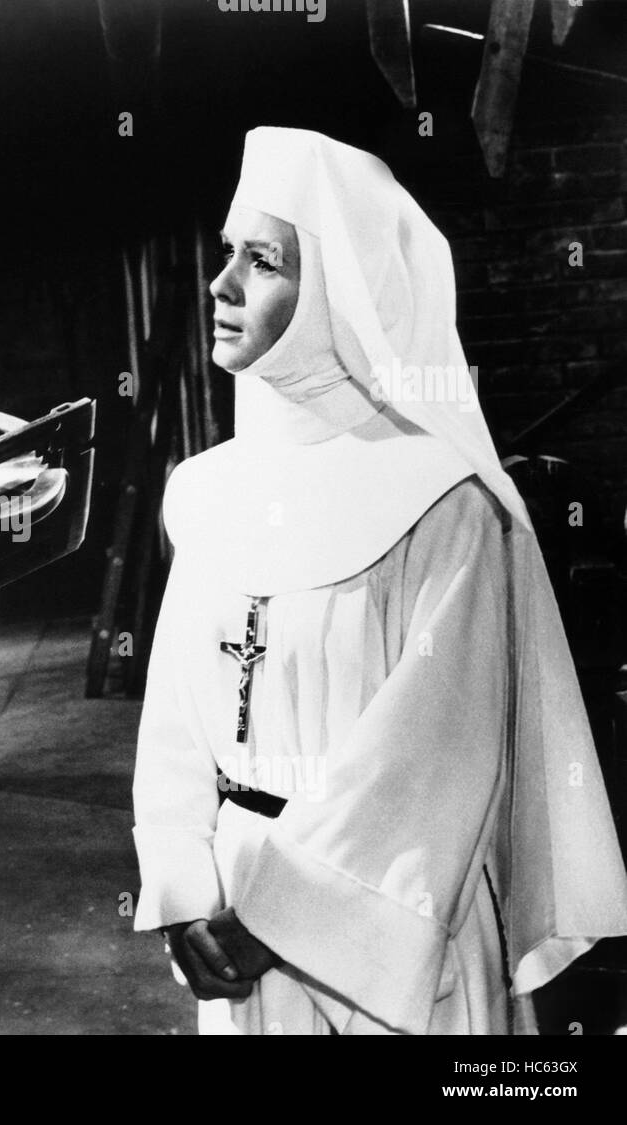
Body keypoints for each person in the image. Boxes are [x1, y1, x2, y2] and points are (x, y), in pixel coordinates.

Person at [131, 126, 627, 1035]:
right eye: (226, 254)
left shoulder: (445, 504)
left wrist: (278, 915)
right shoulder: (208, 492)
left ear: (335, 294)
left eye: (263, 261)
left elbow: (431, 758)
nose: (222, 284)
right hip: (232, 935)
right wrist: (181, 883)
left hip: (393, 952)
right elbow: (174, 717)